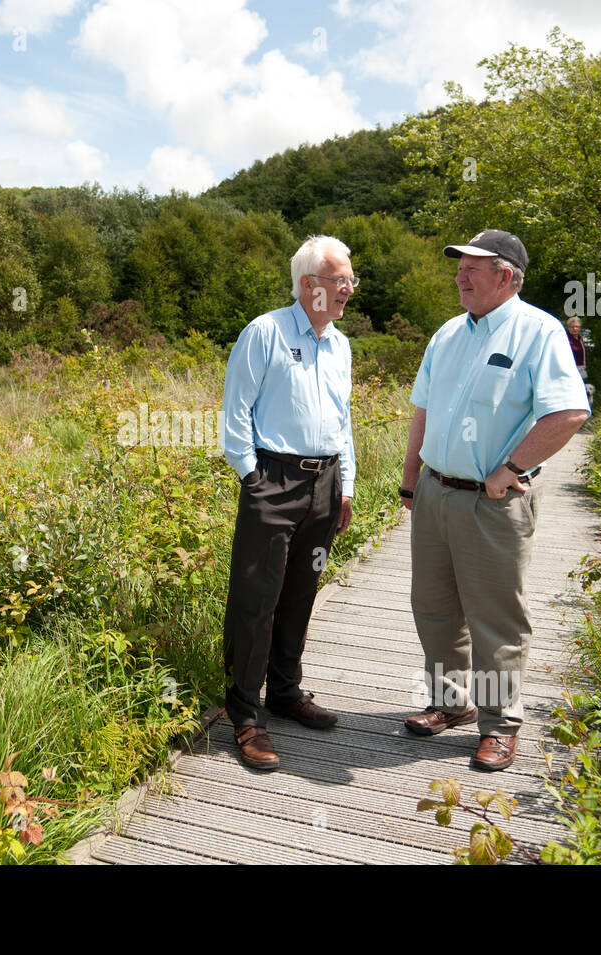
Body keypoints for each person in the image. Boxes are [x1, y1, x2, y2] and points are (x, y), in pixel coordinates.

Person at [398, 229, 589, 771]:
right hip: (435, 493)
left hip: (492, 501)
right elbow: (423, 411)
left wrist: (509, 469)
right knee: (434, 609)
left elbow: (569, 412)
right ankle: (450, 704)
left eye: (471, 267)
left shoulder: (540, 332)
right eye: (459, 266)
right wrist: (411, 478)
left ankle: (501, 722)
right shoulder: (447, 335)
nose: (459, 275)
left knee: (495, 616)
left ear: (505, 275)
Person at [218, 235, 356, 771]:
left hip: (325, 481)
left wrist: (345, 488)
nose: (348, 289)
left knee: (301, 591)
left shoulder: (340, 343)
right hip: (272, 480)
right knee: (258, 597)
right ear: (308, 285)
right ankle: (247, 715)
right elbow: (236, 417)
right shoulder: (265, 332)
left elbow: (342, 422)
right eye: (339, 279)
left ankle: (285, 690)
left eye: (350, 280)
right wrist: (253, 479)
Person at [565, 316, 594, 404]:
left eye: (577, 326)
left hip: (581, 368)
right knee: (572, 390)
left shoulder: (580, 339)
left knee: (581, 390)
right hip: (570, 369)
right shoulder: (566, 339)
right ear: (568, 327)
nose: (574, 328)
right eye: (572, 326)